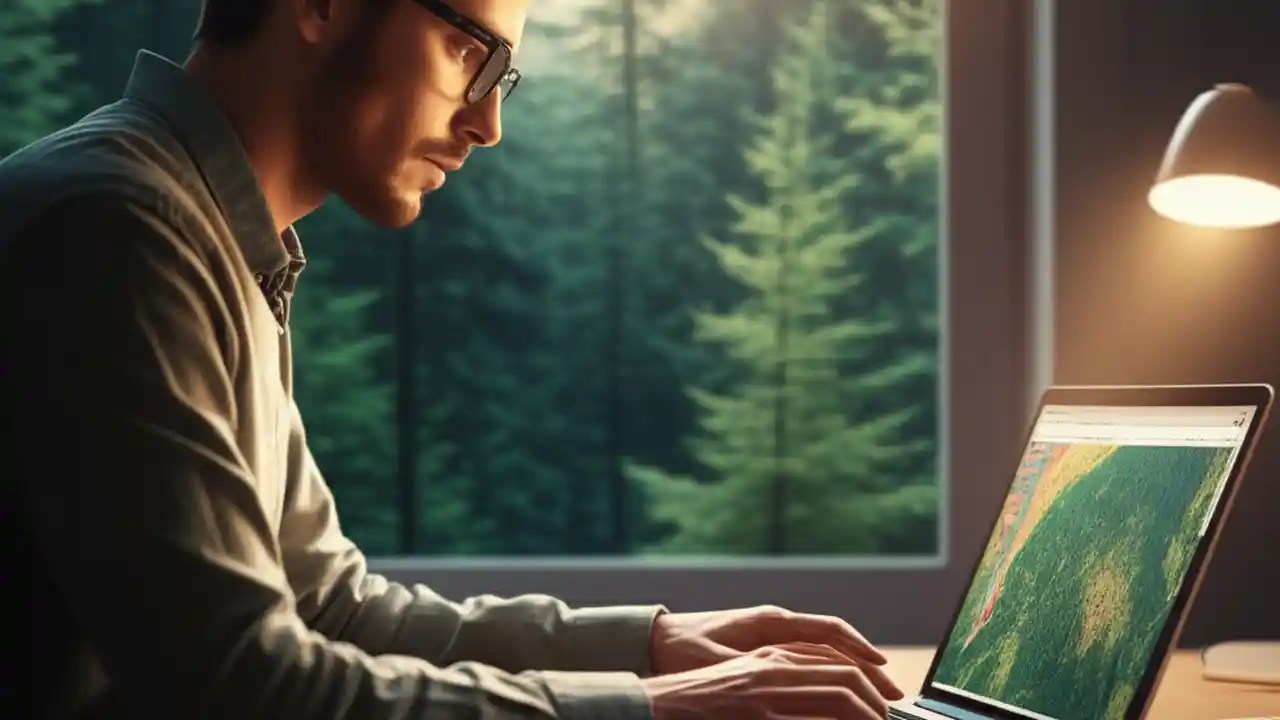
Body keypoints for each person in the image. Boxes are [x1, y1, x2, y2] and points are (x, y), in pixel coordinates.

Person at [0, 0, 906, 717]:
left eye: (504, 74)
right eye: (471, 51)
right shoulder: (119, 232)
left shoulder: (203, 232)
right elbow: (242, 687)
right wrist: (656, 710)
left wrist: (653, 646)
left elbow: (330, 609)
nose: (488, 122)